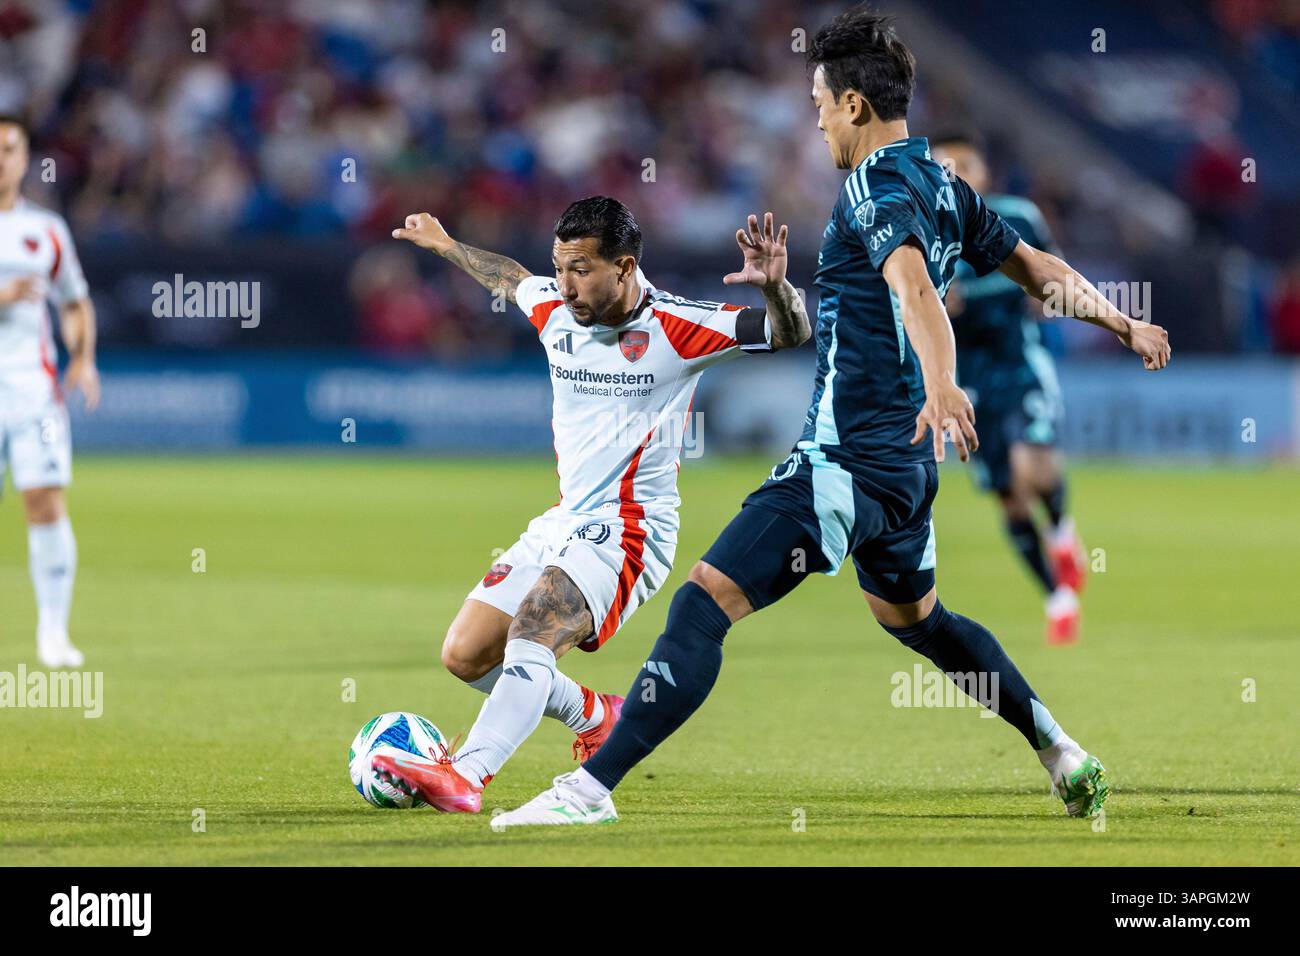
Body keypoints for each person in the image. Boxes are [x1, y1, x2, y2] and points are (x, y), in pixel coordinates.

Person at [493, 7, 1169, 828]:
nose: (813, 117)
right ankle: (1063, 751)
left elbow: (914, 286)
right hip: (906, 471)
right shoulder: (947, 184)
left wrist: (942, 380)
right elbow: (1037, 269)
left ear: (852, 104)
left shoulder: (875, 184)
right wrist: (1123, 322)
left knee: (703, 604)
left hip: (846, 459)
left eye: (819, 100)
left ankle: (588, 790)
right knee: (920, 622)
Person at [375, 196, 810, 812]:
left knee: (533, 628)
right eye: (561, 268)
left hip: (632, 530)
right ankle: (594, 712)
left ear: (625, 267)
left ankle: (467, 774)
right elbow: (510, 278)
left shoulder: (677, 328)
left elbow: (788, 333)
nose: (567, 286)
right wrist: (446, 245)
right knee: (466, 654)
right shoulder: (555, 307)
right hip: (564, 521)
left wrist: (777, 288)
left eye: (582, 270)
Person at [930, 131, 1085, 644]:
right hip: (968, 380)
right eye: (942, 168)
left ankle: (1062, 530)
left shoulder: (1017, 216)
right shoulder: (925, 234)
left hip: (1020, 361)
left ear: (982, 174)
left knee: (1030, 468)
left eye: (963, 167)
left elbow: (1053, 268)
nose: (953, 177)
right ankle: (1057, 597)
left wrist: (1047, 298)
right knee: (1008, 496)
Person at [0, 114, 99, 668]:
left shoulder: (47, 230)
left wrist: (83, 357)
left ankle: (53, 634)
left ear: (23, 156)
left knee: (44, 498)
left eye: (10, 148)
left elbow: (74, 299)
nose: (1, 158)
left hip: (32, 390)